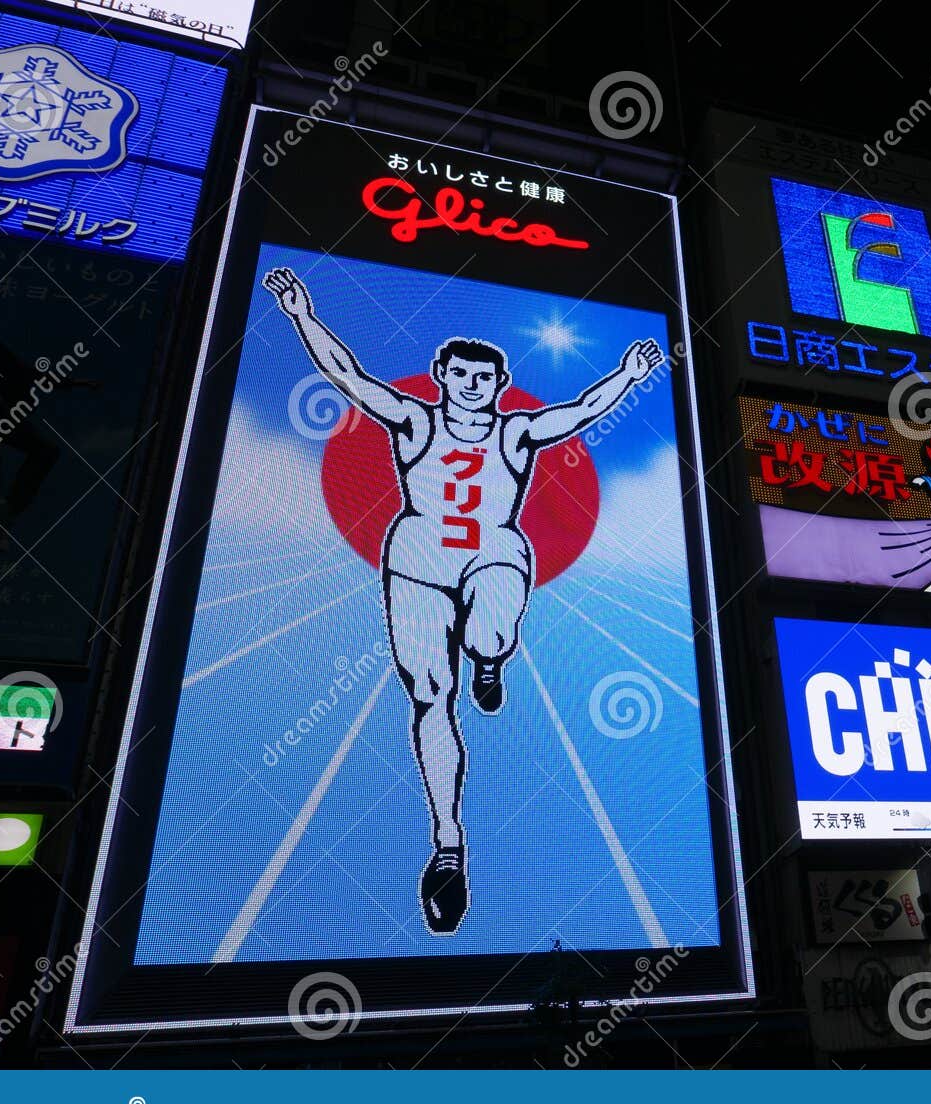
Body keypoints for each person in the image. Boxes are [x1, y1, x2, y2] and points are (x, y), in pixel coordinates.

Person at [263, 267, 663, 934]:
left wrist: (627, 374)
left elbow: (580, 412)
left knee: (492, 614)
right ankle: (448, 844)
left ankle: (488, 655)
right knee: (427, 693)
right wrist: (302, 314)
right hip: (418, 559)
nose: (473, 387)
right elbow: (350, 378)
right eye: (462, 376)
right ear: (444, 376)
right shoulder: (414, 422)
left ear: (498, 386)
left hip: (491, 553)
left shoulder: (514, 433)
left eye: (485, 378)